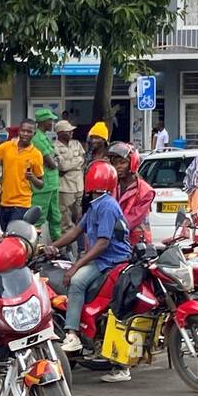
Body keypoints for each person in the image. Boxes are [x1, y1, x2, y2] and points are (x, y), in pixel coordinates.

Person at [48, 161, 133, 381]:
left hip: (109, 259)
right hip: (106, 257)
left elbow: (102, 243)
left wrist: (76, 266)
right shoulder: (99, 204)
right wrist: (52, 246)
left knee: (76, 282)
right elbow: (77, 231)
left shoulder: (105, 207)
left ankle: (72, 333)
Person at [0, 119, 45, 229]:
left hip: (22, 203)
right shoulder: (6, 147)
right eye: (23, 131)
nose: (25, 134)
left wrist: (33, 178)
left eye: (29, 132)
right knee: (4, 235)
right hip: (4, 202)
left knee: (14, 235)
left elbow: (41, 184)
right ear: (19, 131)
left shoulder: (36, 154)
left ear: (34, 134)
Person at [109, 141, 154, 247]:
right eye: (115, 163)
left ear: (132, 163)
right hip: (114, 239)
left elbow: (130, 221)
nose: (118, 166)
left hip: (137, 242)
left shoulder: (146, 191)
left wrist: (106, 231)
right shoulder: (112, 186)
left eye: (122, 162)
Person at [29, 109, 61, 242]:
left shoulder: (43, 137)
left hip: (52, 184)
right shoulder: (37, 138)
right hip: (43, 186)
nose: (52, 123)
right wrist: (56, 162)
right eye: (50, 120)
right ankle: (33, 245)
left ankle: (58, 244)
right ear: (43, 121)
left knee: (55, 216)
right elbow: (52, 163)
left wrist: (55, 161)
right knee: (38, 218)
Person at [54, 119, 86, 231]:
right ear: (60, 133)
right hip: (65, 188)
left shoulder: (76, 143)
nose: (72, 132)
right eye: (68, 131)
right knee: (65, 218)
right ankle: (67, 246)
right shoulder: (54, 147)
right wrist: (77, 161)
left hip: (79, 185)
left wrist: (70, 163)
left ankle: (81, 244)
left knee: (81, 216)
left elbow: (83, 160)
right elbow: (62, 167)